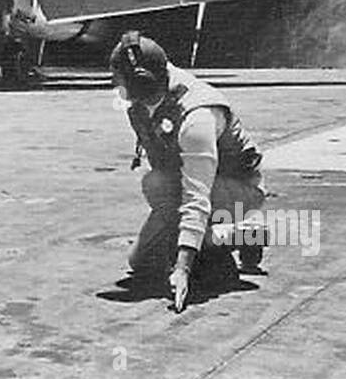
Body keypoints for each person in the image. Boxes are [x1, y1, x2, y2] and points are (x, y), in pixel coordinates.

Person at [109, 31, 266, 311]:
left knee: (191, 241)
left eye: (121, 82)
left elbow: (197, 197)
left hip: (238, 188)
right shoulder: (151, 92)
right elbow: (165, 171)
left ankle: (248, 231)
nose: (117, 88)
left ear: (141, 85)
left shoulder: (197, 118)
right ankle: (200, 239)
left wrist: (183, 266)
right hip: (190, 183)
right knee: (141, 261)